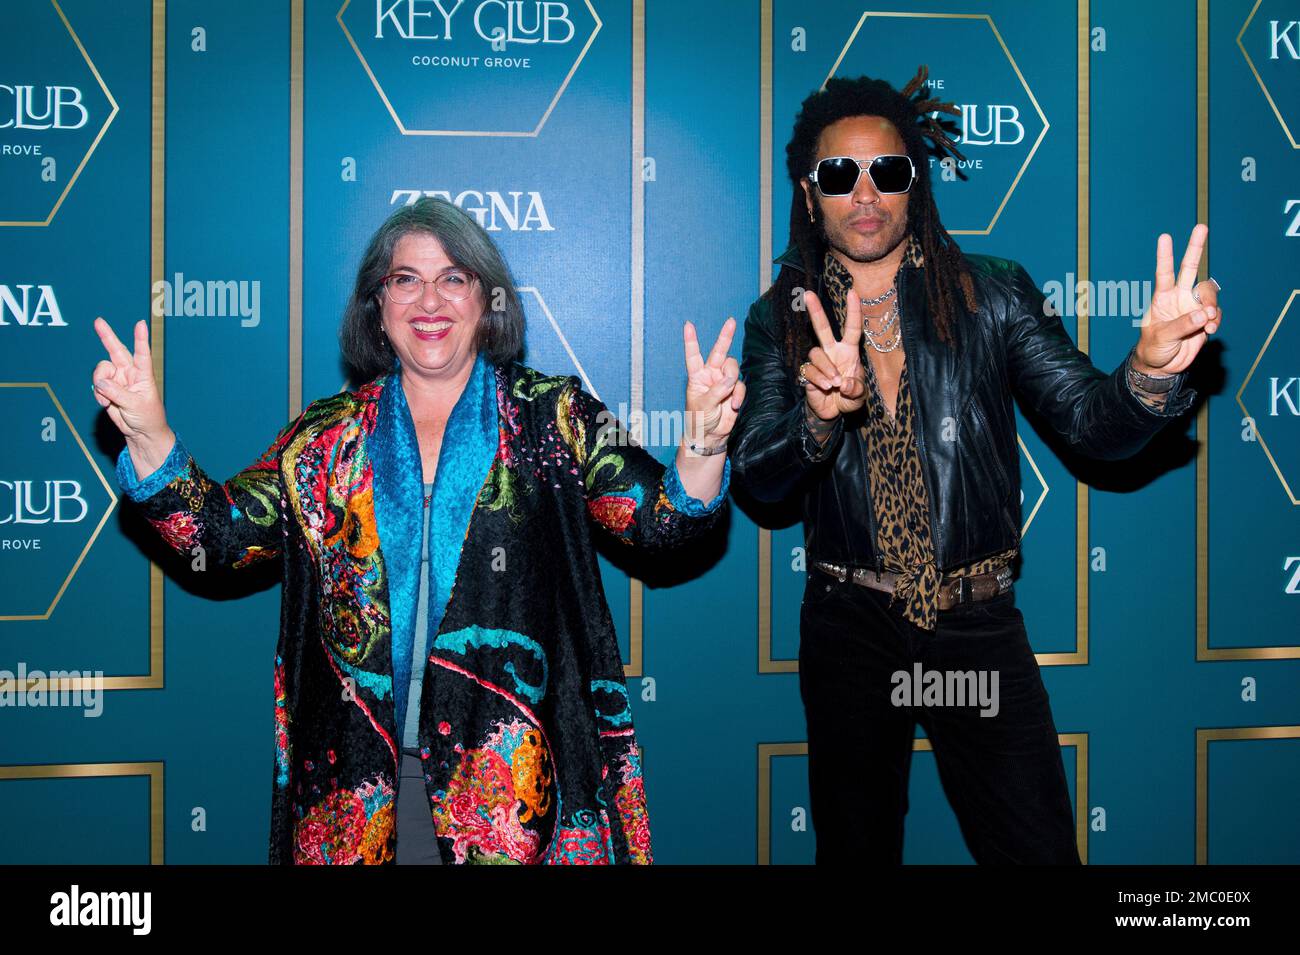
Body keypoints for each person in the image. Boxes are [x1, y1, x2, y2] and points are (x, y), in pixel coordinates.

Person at [92, 196, 744, 865]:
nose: (429, 300)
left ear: (486, 300)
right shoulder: (326, 434)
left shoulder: (558, 417)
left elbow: (660, 526)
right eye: (405, 279)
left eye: (453, 277)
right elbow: (219, 540)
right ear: (377, 305)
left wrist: (704, 442)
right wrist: (150, 436)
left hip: (519, 793)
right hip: (361, 788)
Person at [728, 69, 1222, 864]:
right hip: (850, 630)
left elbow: (1093, 425)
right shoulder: (780, 319)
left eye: (887, 172)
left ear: (914, 185)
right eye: (838, 175)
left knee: (1035, 850)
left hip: (974, 625)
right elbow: (758, 476)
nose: (864, 194)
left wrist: (1152, 369)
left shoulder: (988, 294)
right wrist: (816, 419)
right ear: (808, 192)